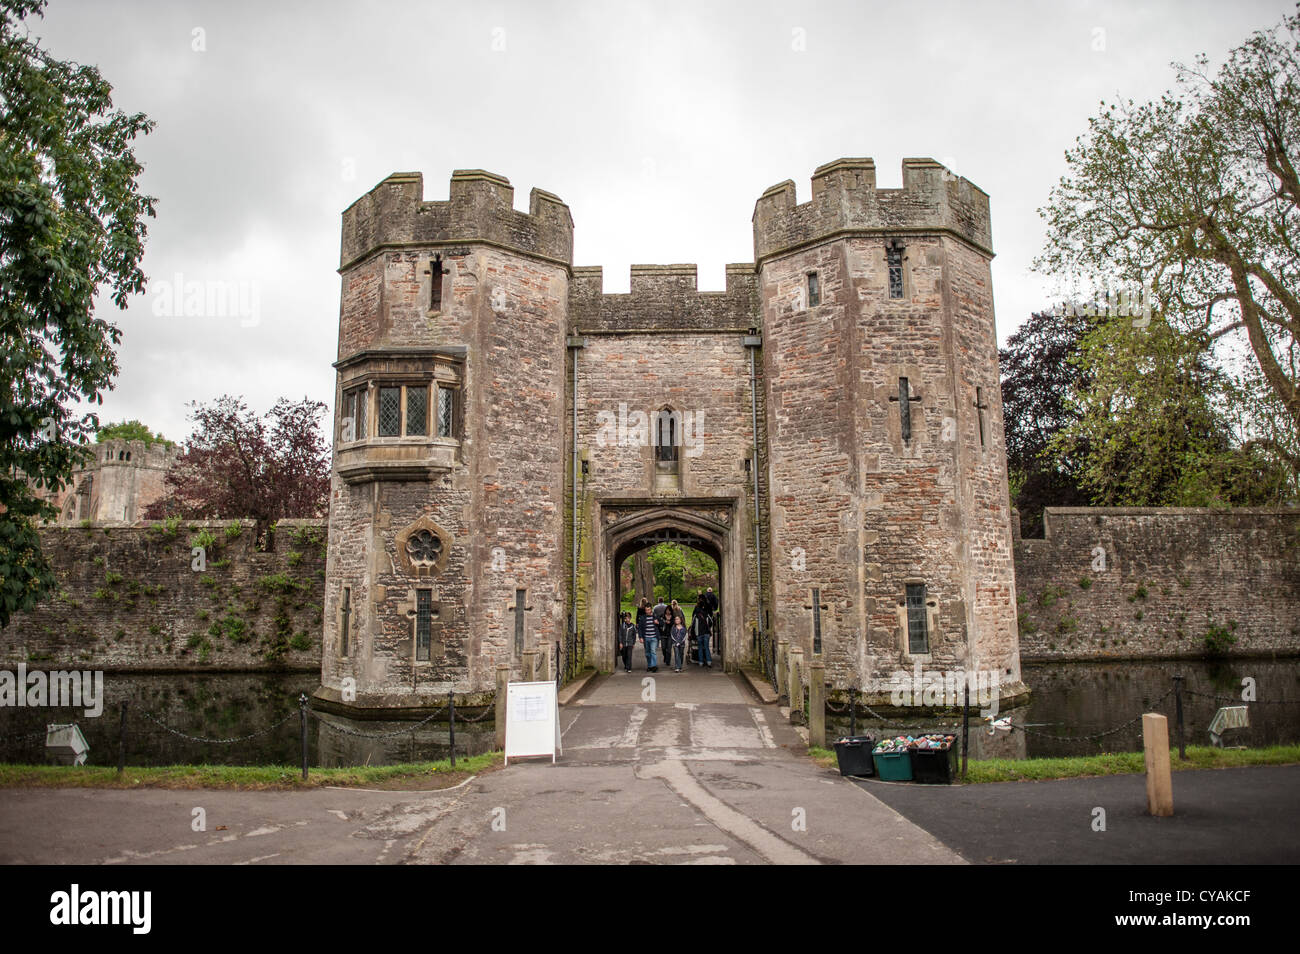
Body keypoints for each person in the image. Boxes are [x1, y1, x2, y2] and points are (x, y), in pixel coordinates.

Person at [639, 598, 660, 673]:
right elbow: (640, 628)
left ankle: (653, 666)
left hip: (654, 637)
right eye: (646, 610)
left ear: (651, 609)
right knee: (647, 653)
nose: (647, 611)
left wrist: (658, 623)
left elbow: (662, 624)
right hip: (646, 638)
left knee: (653, 651)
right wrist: (641, 637)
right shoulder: (642, 618)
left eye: (648, 610)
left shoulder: (655, 616)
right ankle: (649, 665)